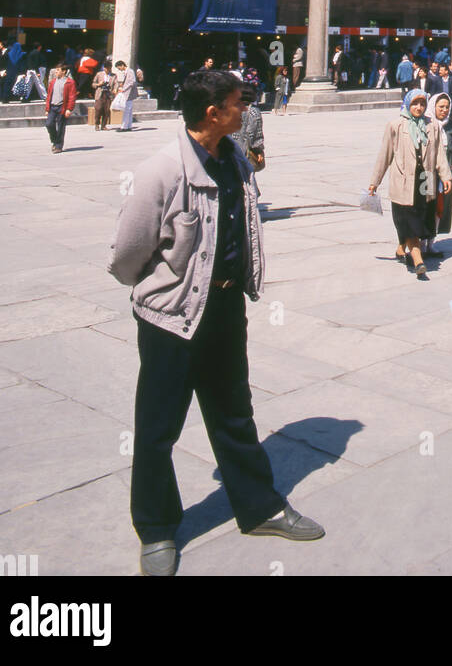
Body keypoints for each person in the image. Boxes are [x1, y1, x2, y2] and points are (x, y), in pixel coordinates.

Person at [108, 68, 323, 576]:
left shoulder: (238, 161)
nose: (245, 110)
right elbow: (126, 254)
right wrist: (163, 291)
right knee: (158, 426)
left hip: (226, 309)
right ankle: (157, 529)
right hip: (172, 317)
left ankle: (260, 506)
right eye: (237, 102)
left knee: (233, 413)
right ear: (213, 113)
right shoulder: (161, 171)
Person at [368, 88, 452, 278]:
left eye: (422, 104)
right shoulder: (395, 126)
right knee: (409, 223)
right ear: (407, 104)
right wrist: (375, 182)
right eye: (415, 103)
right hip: (404, 183)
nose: (419, 107)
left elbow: (439, 153)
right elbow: (385, 155)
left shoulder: (432, 126)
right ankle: (418, 260)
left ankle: (400, 250)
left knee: (421, 220)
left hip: (426, 180)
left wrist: (445, 176)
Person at [423, 92, 452, 256]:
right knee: (424, 208)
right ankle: (419, 243)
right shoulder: (425, 124)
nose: (445, 110)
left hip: (444, 176)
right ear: (433, 107)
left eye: (447, 107)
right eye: (441, 107)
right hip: (426, 175)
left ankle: (431, 243)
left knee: (439, 209)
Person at [45, 63, 76, 154]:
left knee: (61, 127)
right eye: (56, 70)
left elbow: (72, 96)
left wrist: (69, 109)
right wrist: (47, 109)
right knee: (49, 124)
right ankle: (54, 140)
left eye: (58, 70)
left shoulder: (70, 82)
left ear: (64, 71)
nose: (56, 72)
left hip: (62, 107)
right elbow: (49, 96)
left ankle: (58, 146)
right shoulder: (53, 82)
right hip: (53, 107)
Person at [232, 87, 265, 173]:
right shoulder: (254, 112)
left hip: (229, 150)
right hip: (244, 152)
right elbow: (255, 134)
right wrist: (259, 151)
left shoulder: (231, 109)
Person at [113, 60, 140, 132]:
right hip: (128, 93)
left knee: (127, 110)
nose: (120, 70)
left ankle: (124, 127)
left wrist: (123, 89)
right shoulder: (127, 72)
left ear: (122, 65)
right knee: (129, 110)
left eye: (119, 68)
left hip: (129, 93)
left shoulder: (130, 71)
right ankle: (128, 126)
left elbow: (132, 82)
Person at [92, 59, 115, 130]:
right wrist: (99, 84)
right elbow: (93, 84)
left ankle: (104, 125)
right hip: (100, 93)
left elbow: (116, 84)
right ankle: (96, 124)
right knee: (98, 109)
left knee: (106, 110)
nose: (108, 70)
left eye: (110, 68)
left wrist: (115, 89)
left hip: (108, 94)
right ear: (104, 68)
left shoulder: (113, 76)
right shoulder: (99, 74)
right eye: (107, 69)